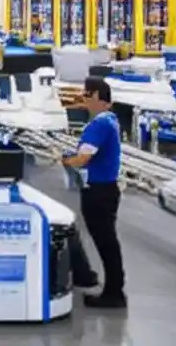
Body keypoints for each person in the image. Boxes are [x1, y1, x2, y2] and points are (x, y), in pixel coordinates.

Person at [62, 76, 126, 308]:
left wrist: (66, 160)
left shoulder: (100, 124)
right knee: (107, 242)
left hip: (99, 192)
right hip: (104, 189)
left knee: (106, 242)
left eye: (88, 95)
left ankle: (114, 293)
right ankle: (113, 288)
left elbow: (83, 158)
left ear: (99, 98)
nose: (85, 99)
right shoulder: (110, 121)